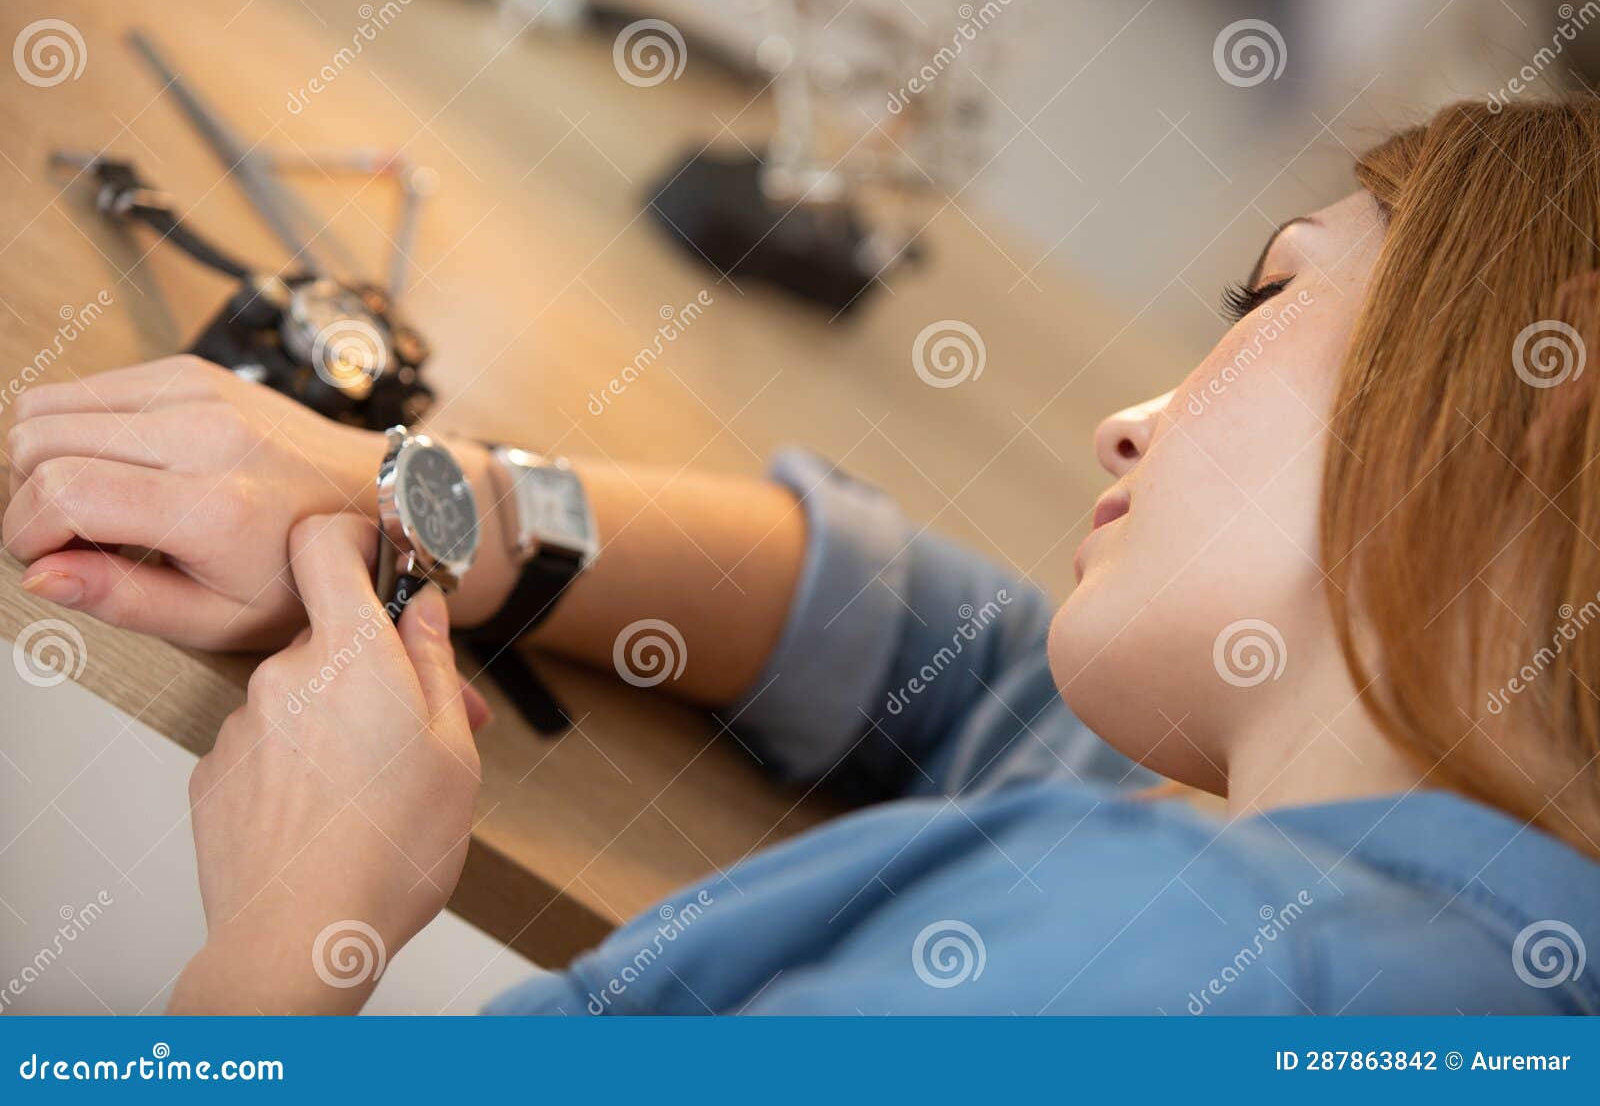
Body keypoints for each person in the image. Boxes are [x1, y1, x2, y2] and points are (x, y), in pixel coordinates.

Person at [5, 99, 1598, 1015]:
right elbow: (952, 655)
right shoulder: (1387, 908)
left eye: (1271, 297)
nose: (1128, 424)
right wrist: (438, 504)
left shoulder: (1176, 970)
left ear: (1555, 380)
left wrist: (300, 920)